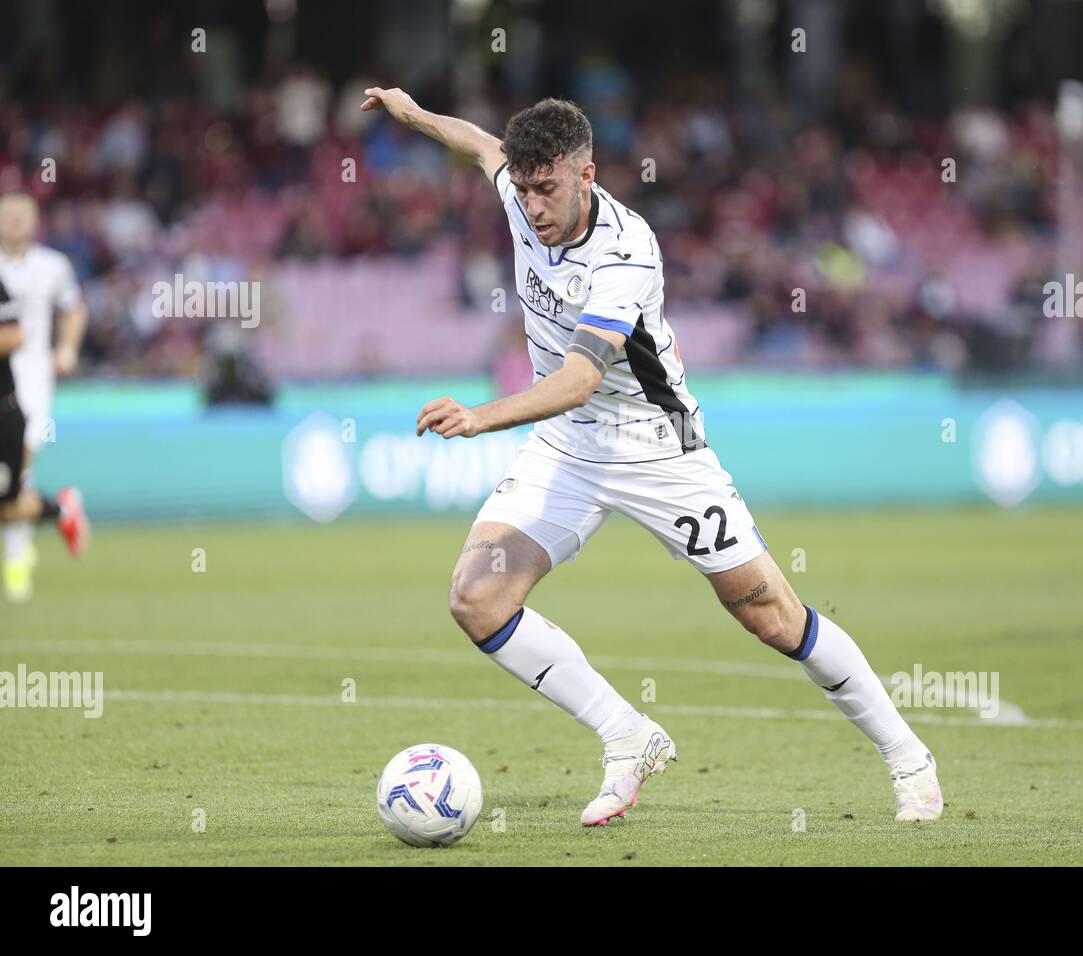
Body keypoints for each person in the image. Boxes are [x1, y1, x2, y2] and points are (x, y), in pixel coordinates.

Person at [362, 89, 943, 826]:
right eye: (524, 188)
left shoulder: (625, 251)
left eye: (547, 189)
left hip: (657, 449)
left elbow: (577, 380)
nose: (532, 206)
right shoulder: (513, 184)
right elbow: (476, 143)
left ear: (587, 175)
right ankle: (627, 734)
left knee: (770, 614)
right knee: (477, 597)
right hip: (566, 450)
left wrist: (481, 416)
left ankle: (908, 758)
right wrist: (412, 115)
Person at [0, 193, 90, 601]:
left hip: (32, 378)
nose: (15, 221)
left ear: (35, 220)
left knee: (19, 470)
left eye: (23, 214)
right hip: (3, 376)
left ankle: (17, 560)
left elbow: (74, 309)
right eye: (8, 214)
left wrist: (67, 348)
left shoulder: (52, 265)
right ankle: (59, 510)